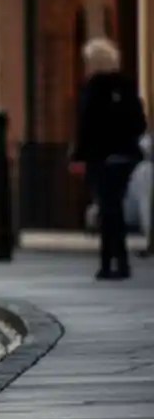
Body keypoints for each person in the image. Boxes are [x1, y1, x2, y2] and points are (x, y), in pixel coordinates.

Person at [70, 37, 148, 280]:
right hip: (126, 156)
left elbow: (86, 126)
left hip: (102, 158)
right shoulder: (127, 86)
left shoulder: (93, 88)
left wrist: (78, 156)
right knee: (115, 208)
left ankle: (108, 264)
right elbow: (140, 122)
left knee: (107, 210)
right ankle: (120, 263)